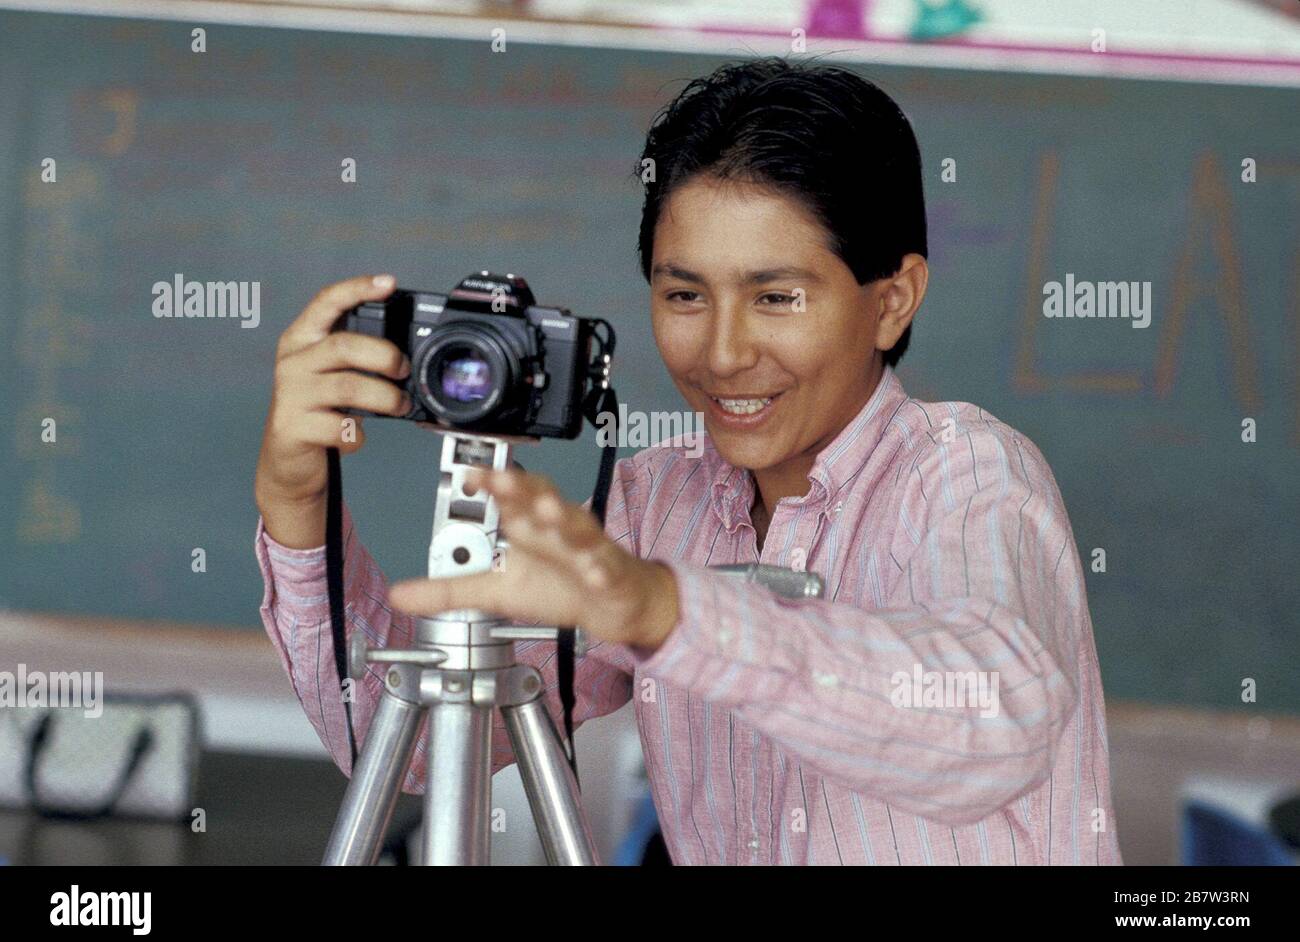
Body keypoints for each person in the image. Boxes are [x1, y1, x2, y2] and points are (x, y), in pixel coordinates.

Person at [254, 57, 1122, 865]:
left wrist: (668, 609)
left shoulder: (969, 472)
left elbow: (993, 721)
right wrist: (298, 503)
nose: (724, 352)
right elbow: (408, 752)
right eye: (684, 295)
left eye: (776, 297)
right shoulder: (652, 499)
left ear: (891, 302)